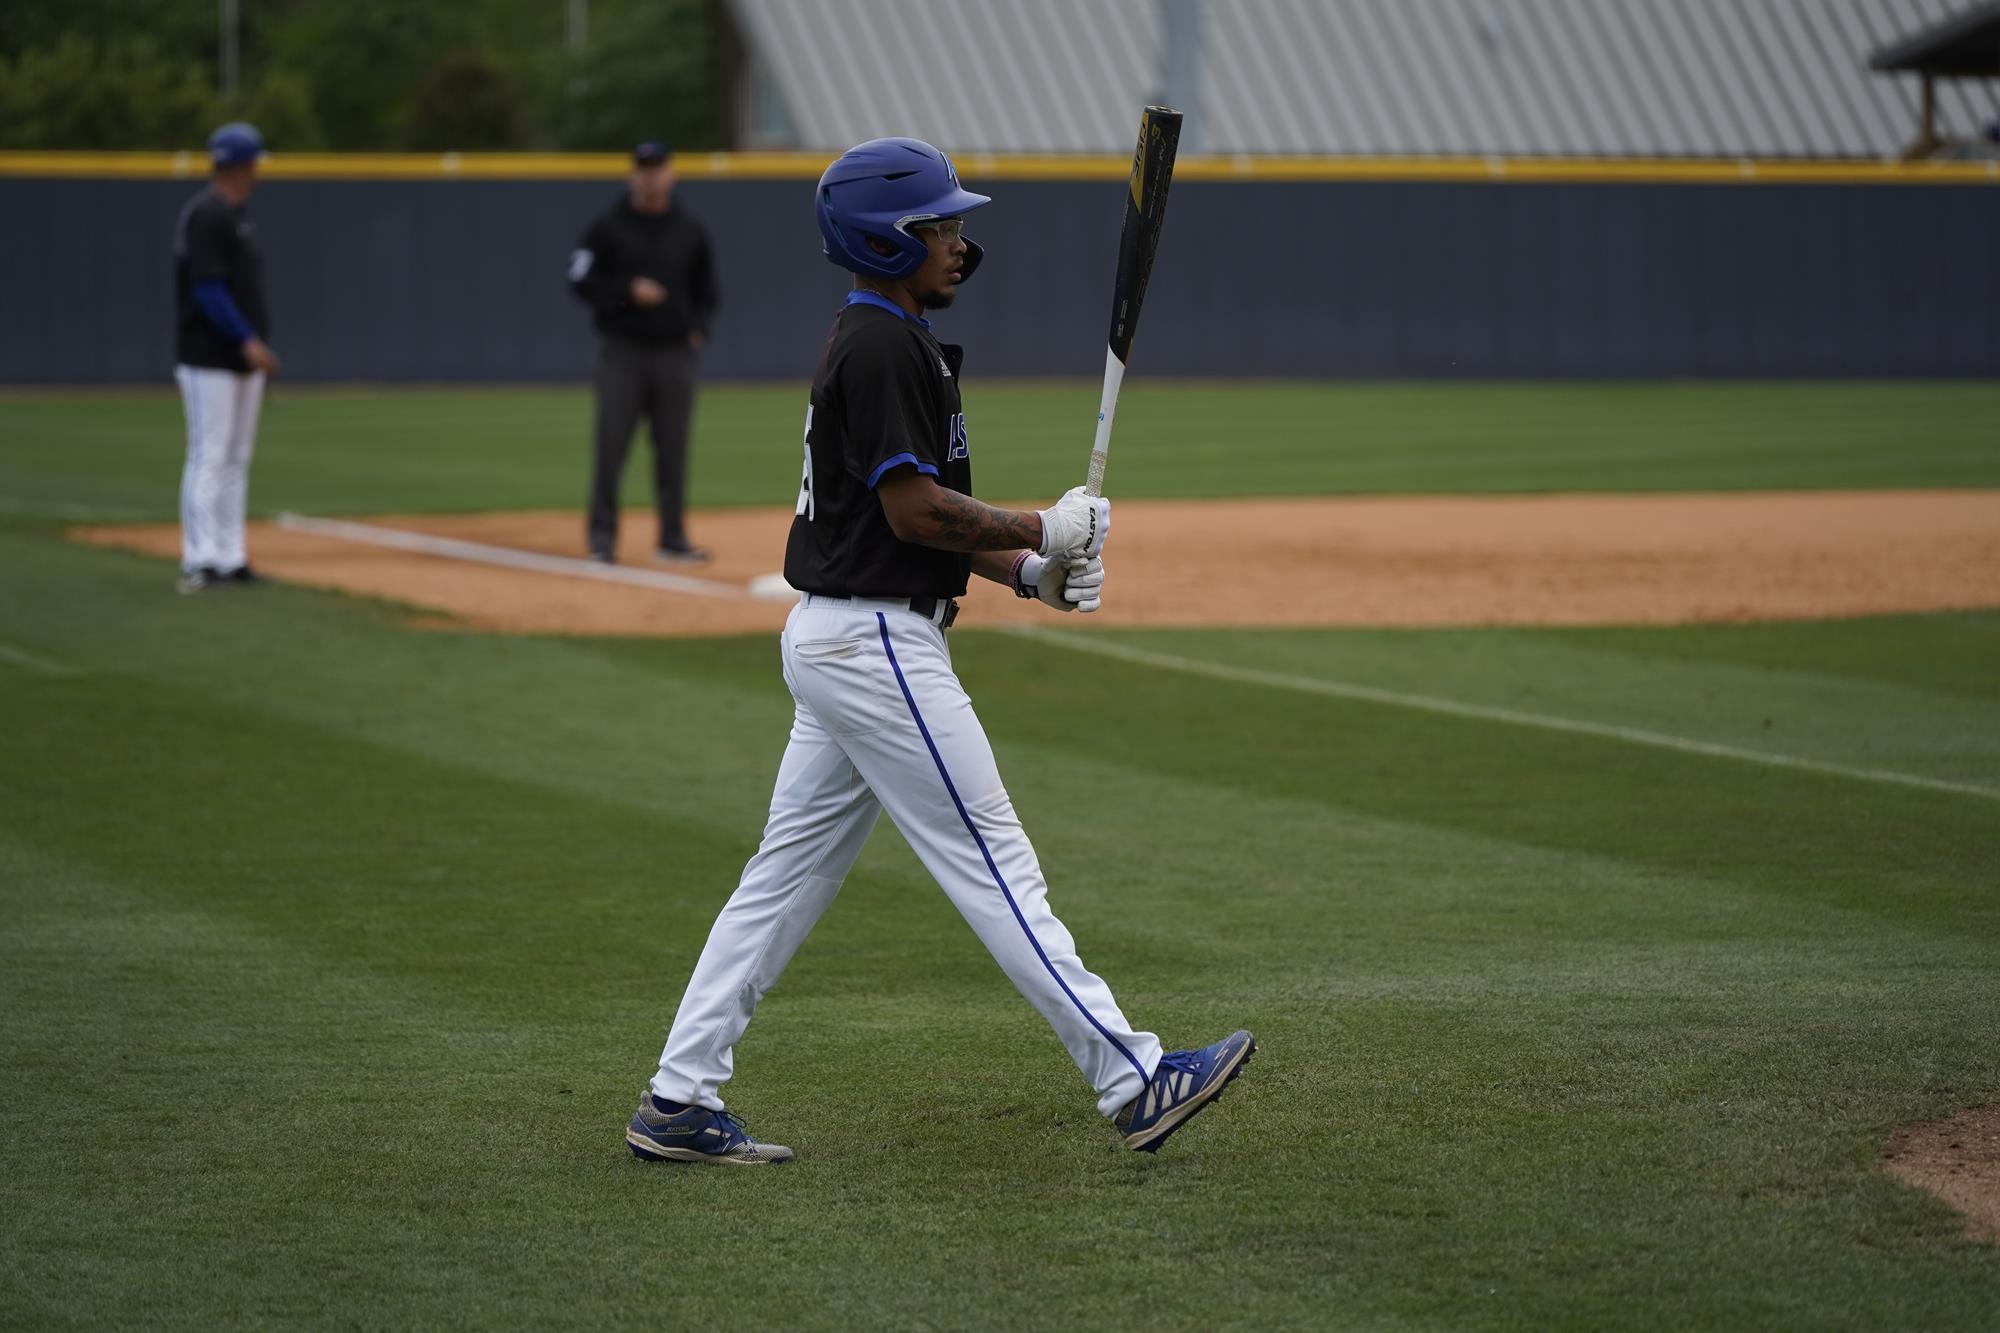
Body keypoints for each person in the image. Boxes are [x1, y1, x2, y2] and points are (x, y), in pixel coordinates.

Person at [624, 138, 1254, 1167]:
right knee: (994, 865)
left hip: (843, 632)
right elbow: (911, 512)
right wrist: (1042, 531)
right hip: (873, 645)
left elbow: (900, 525)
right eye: (942, 226)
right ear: (886, 239)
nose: (961, 243)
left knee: (779, 882)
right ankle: (1134, 1078)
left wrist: (1021, 572)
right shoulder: (879, 348)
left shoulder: (882, 336)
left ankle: (676, 1098)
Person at [567, 140, 719, 564]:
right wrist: (626, 291)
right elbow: (579, 278)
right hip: (624, 352)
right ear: (631, 175)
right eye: (643, 168)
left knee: (673, 449)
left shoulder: (689, 229)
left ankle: (672, 538)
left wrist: (698, 329)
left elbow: (708, 290)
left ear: (670, 173)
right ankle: (602, 539)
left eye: (658, 168)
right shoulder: (608, 227)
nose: (651, 176)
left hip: (674, 354)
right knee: (611, 446)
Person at [172, 121, 279, 594]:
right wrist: (246, 339)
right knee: (209, 454)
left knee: (236, 456)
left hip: (239, 359)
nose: (258, 170)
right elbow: (208, 290)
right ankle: (200, 558)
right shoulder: (207, 215)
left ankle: (231, 555)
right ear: (240, 164)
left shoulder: (236, 214)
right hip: (208, 356)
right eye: (254, 161)